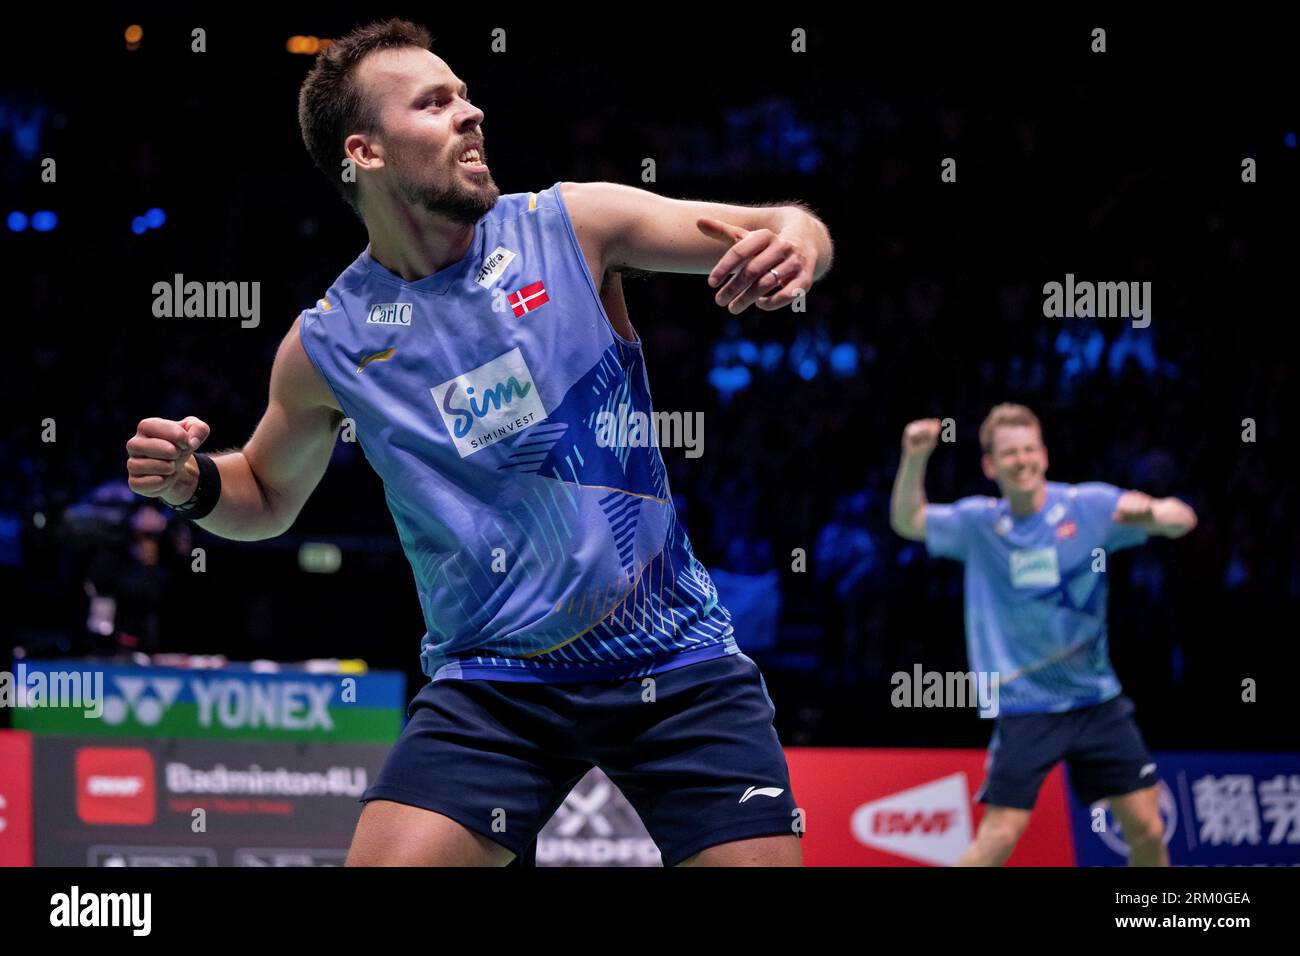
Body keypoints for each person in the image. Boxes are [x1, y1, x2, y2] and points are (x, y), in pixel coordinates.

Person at [124, 17, 833, 867]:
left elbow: (783, 222)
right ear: (367, 152)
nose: (472, 112)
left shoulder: (574, 226)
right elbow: (265, 498)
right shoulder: (330, 341)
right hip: (496, 685)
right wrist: (192, 484)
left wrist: (798, 242)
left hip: (675, 660)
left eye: (465, 93)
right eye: (435, 102)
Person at [889, 404, 1196, 866]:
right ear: (991, 466)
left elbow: (1182, 518)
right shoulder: (978, 524)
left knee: (1148, 828)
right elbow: (908, 521)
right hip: (1024, 705)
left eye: (1030, 449)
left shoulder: (1087, 506)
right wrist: (914, 458)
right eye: (1010, 453)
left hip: (1097, 700)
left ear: (1045, 455)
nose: (1022, 460)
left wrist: (1152, 509)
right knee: (1000, 834)